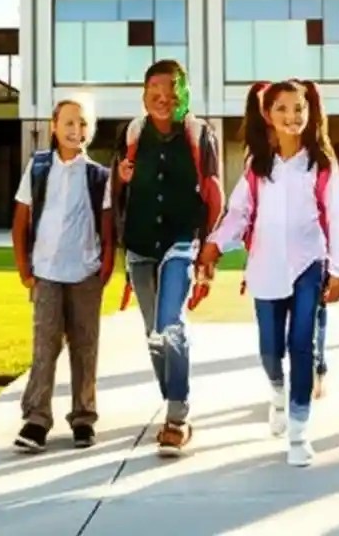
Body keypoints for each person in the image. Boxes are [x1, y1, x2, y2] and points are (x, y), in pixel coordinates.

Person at [199, 80, 339, 467]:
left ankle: (299, 432)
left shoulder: (322, 166)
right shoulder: (257, 167)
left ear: (310, 113)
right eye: (282, 109)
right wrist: (215, 244)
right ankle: (277, 392)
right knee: (270, 349)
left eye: (299, 108)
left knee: (302, 345)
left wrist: (337, 270)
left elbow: (337, 218)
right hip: (266, 267)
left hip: (308, 265)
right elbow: (238, 213)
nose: (292, 116)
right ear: (269, 115)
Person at [112, 60, 223, 457]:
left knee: (170, 322)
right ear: (144, 94)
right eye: (155, 89)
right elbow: (116, 194)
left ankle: (178, 414)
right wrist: (121, 177)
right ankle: (171, 402)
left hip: (181, 240)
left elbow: (213, 193)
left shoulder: (198, 134)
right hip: (141, 244)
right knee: (153, 333)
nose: (163, 97)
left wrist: (209, 251)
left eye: (171, 88)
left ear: (183, 92)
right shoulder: (131, 134)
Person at [11, 98, 114, 453]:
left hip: (85, 273)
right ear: (54, 126)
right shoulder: (38, 168)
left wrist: (105, 269)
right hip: (47, 274)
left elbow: (107, 227)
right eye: (69, 123)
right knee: (45, 346)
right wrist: (26, 271)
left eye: (83, 124)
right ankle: (36, 419)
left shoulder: (99, 176)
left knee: (85, 348)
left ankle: (83, 418)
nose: (76, 130)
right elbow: (21, 220)